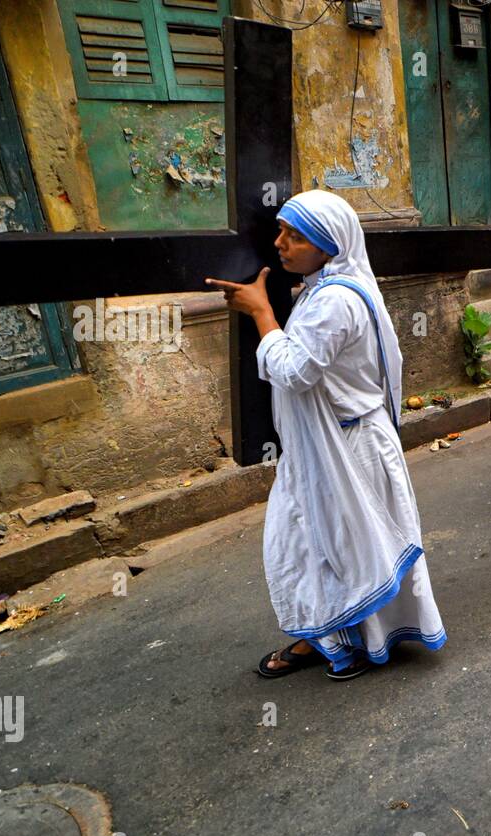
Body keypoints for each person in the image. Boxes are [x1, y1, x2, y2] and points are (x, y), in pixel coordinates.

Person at [207, 190, 446, 680]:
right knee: (334, 543)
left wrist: (261, 314)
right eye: (282, 232)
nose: (280, 244)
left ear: (329, 244)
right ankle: (345, 636)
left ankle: (345, 641)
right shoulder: (323, 288)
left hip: (347, 447)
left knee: (332, 545)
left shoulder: (335, 300)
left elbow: (295, 372)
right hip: (337, 442)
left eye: (295, 236)